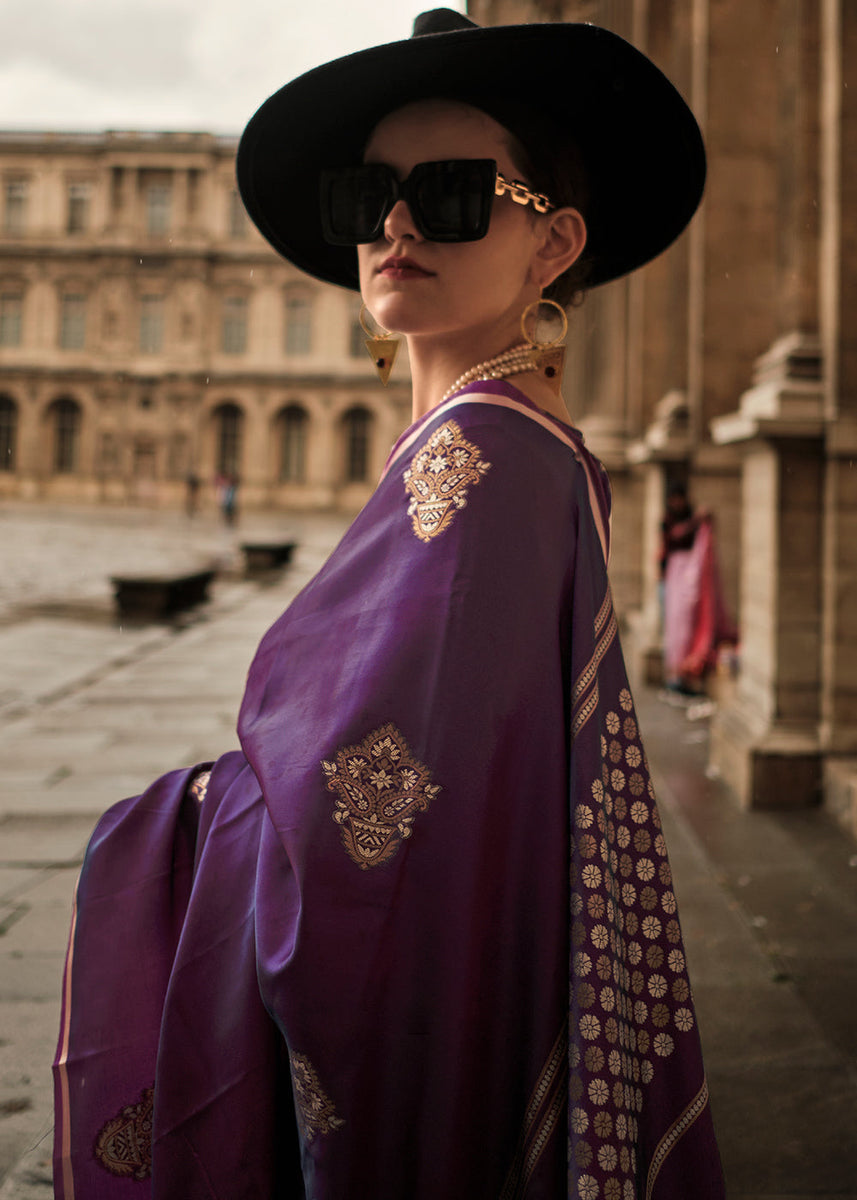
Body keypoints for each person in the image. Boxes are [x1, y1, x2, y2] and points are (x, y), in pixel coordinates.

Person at [53, 10, 725, 1198]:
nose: (398, 223)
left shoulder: (484, 458)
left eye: (455, 193)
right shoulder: (499, 447)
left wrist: (174, 820)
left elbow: (365, 808)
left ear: (551, 246)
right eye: (370, 197)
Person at [660, 484, 735, 696]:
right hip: (676, 577)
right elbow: (674, 537)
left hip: (688, 575)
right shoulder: (669, 521)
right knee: (676, 626)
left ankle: (685, 673)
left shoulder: (689, 519)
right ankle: (676, 674)